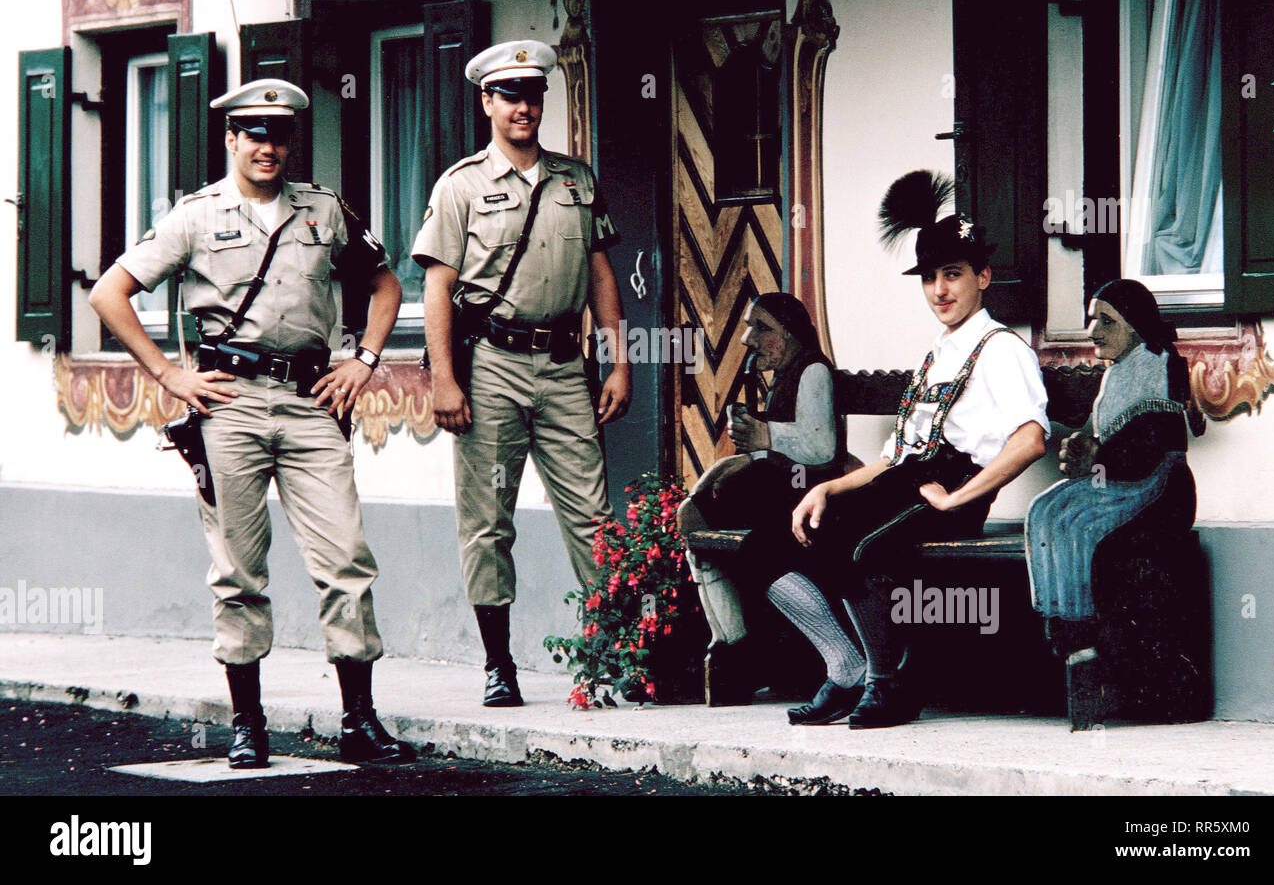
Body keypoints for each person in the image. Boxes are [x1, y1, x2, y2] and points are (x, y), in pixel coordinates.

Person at [89, 78, 415, 768]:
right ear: (232, 139)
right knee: (238, 568)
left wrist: (363, 358)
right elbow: (109, 291)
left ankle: (359, 718)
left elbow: (385, 282)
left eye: (280, 134)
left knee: (347, 559)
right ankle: (248, 723)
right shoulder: (196, 216)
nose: (269, 146)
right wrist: (169, 375)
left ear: (290, 140)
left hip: (312, 401)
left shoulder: (324, 211)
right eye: (255, 134)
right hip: (228, 404)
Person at [777, 170, 1049, 728]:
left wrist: (956, 501)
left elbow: (1030, 440)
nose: (940, 290)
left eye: (953, 275)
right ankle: (848, 671)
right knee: (805, 533)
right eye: (929, 277)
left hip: (954, 487)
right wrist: (827, 487)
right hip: (911, 480)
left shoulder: (1002, 350)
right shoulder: (938, 352)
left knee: (864, 550)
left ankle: (889, 684)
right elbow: (894, 457)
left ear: (984, 276)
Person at [411, 40, 631, 708]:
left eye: (533, 95)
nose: (524, 107)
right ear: (487, 102)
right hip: (492, 367)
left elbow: (599, 274)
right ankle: (498, 662)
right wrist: (444, 379)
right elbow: (438, 287)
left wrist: (619, 360)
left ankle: (610, 655)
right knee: (488, 520)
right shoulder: (461, 186)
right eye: (509, 95)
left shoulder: (575, 180)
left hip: (565, 365)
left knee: (593, 516)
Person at [1025, 279, 1203, 726]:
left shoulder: (1156, 365)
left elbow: (1154, 444)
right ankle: (1063, 625)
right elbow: (1095, 433)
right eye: (1091, 320)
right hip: (1123, 483)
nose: (1093, 331)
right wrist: (1082, 446)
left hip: (1160, 490)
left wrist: (1097, 454)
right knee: (1047, 510)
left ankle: (1081, 631)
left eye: (1107, 321)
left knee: (1080, 526)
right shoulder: (1116, 372)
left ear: (1137, 327)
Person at [677, 292, 845, 705]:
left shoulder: (813, 372)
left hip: (802, 495)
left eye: (761, 328)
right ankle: (730, 640)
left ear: (787, 335)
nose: (748, 339)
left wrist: (765, 436)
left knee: (750, 545)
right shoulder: (782, 376)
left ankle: (744, 649)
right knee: (693, 519)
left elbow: (821, 449)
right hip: (779, 489)